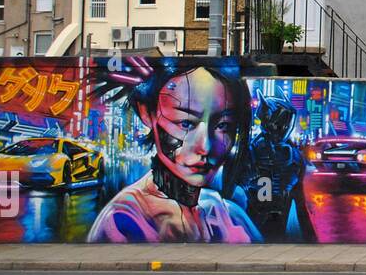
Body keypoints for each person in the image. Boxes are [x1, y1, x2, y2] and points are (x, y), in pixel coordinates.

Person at [88, 60, 259, 244]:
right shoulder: (122, 221)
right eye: (185, 123)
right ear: (147, 113)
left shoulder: (223, 212)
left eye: (223, 125)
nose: (205, 146)